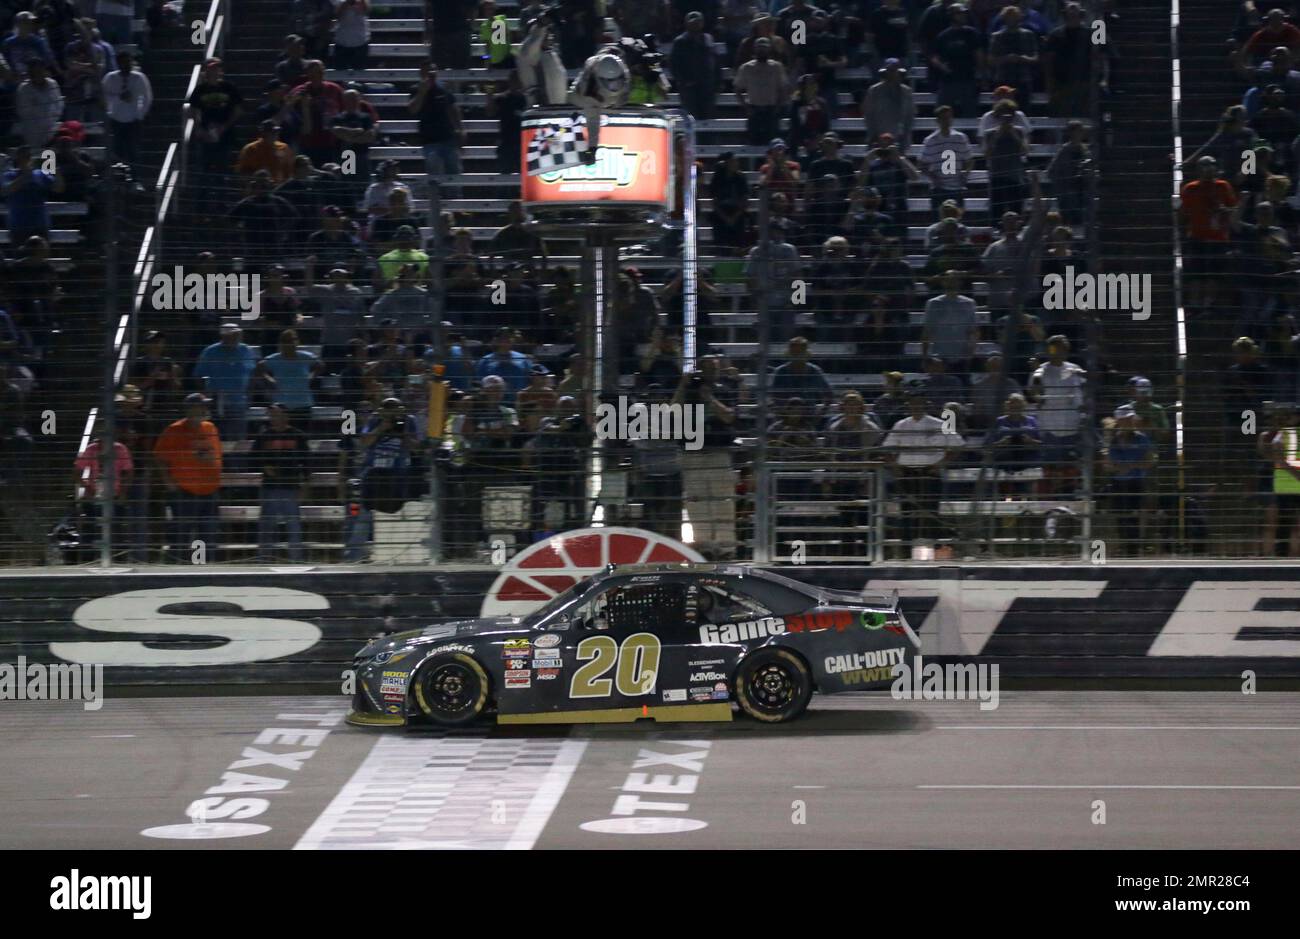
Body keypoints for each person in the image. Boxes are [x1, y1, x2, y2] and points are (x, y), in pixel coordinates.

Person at [673, 356, 738, 560]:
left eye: (714, 368)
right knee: (697, 503)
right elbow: (673, 411)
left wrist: (710, 398)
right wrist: (683, 385)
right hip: (692, 454)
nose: (710, 371)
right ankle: (704, 547)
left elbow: (729, 416)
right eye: (706, 368)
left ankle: (726, 548)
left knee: (723, 502)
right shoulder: (688, 391)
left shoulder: (724, 390)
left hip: (718, 453)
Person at [882, 390, 962, 547]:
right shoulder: (900, 424)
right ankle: (906, 549)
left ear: (926, 404)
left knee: (931, 512)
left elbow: (957, 445)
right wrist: (895, 467)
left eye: (919, 402)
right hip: (907, 473)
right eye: (913, 403)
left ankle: (932, 550)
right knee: (907, 513)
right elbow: (886, 448)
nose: (916, 406)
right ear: (908, 405)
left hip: (930, 473)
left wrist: (941, 464)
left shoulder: (940, 424)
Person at [153, 394, 223, 562]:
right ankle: (177, 568)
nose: (205, 409)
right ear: (191, 408)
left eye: (205, 406)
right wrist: (168, 481)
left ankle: (200, 566)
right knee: (181, 533)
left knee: (207, 533)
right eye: (202, 406)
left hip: (209, 490)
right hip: (185, 491)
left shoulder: (210, 428)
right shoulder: (174, 430)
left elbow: (215, 455)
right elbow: (159, 457)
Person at [1027, 334, 1086, 497]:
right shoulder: (1040, 370)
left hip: (1071, 428)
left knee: (1070, 468)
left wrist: (1081, 417)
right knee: (1050, 469)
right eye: (1054, 348)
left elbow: (1080, 396)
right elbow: (1034, 394)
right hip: (1050, 429)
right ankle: (1048, 501)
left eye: (1061, 348)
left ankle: (1070, 499)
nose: (1058, 352)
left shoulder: (1074, 369)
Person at [251, 403, 310, 561]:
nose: (274, 418)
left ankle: (296, 560)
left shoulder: (298, 436)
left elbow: (308, 463)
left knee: (293, 527)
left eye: (277, 415)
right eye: (272, 415)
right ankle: (264, 560)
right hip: (270, 488)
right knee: (267, 527)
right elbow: (252, 458)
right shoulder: (263, 436)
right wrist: (264, 466)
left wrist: (305, 485)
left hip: (291, 488)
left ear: (286, 416)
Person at [1102, 404, 1155, 554]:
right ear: (1121, 421)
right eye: (1128, 419)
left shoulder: (1142, 438)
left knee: (1135, 514)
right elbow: (1107, 465)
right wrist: (1119, 468)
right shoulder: (1111, 440)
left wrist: (1132, 465)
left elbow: (1151, 460)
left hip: (1136, 482)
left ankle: (1135, 546)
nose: (1132, 422)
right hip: (1118, 483)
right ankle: (1124, 545)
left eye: (1132, 419)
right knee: (1121, 515)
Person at [2, 145, 65, 245]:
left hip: (40, 225)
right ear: (18, 158)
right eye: (24, 156)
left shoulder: (40, 174)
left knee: (41, 258)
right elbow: (6, 190)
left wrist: (57, 174)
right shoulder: (9, 175)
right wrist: (26, 175)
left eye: (28, 156)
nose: (27, 159)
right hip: (18, 226)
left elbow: (58, 189)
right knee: (20, 257)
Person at [102, 50, 152, 173]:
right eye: (123, 62)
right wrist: (119, 98)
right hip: (115, 118)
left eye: (128, 62)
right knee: (117, 150)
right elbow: (104, 96)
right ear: (118, 63)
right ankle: (119, 178)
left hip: (133, 120)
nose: (126, 65)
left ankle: (135, 178)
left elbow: (147, 97)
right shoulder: (110, 78)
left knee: (133, 150)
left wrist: (140, 115)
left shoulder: (139, 78)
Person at [922, 269, 979, 377]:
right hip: (939, 358)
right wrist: (925, 357)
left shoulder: (969, 303)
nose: (951, 282)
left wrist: (970, 353)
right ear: (943, 282)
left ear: (960, 282)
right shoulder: (933, 303)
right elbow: (927, 331)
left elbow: (973, 331)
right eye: (948, 279)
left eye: (954, 279)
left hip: (961, 357)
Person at [734, 37, 789, 145]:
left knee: (773, 142)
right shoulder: (746, 67)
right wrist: (746, 106)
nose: (761, 50)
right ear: (754, 49)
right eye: (759, 48)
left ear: (769, 49)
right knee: (754, 142)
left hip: (771, 110)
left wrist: (779, 106)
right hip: (754, 110)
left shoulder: (777, 67)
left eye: (764, 48)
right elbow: (737, 88)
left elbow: (783, 88)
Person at [256, 329, 322, 420]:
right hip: (282, 405)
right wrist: (269, 380)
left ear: (297, 341)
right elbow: (259, 368)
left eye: (292, 340)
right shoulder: (274, 359)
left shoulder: (305, 356)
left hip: (303, 403)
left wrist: (311, 377)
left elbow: (320, 365)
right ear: (281, 343)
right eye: (286, 341)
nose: (290, 343)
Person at [920, 104, 972, 210]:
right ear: (938, 120)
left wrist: (965, 174)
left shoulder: (961, 138)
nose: (946, 121)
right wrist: (933, 178)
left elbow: (969, 160)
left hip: (957, 187)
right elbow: (921, 164)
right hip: (938, 189)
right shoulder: (930, 140)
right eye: (943, 118)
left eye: (948, 118)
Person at [670, 11, 720, 118]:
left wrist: (718, 81)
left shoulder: (708, 39)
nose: (695, 25)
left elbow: (715, 61)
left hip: (707, 86)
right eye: (692, 23)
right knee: (691, 117)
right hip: (689, 88)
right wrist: (684, 82)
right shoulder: (680, 41)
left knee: (708, 116)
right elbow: (674, 65)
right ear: (686, 24)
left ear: (702, 23)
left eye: (698, 22)